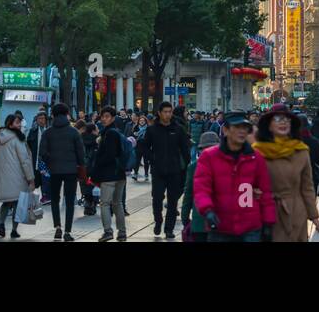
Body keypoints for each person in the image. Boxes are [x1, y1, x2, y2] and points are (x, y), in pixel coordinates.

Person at [192, 111, 275, 242]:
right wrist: (207, 210)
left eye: (244, 128)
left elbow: (266, 192)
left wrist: (268, 222)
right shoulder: (209, 157)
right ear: (225, 130)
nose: (242, 131)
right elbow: (201, 188)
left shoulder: (256, 158)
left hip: (250, 227)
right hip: (220, 226)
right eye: (237, 127)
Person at [252, 104, 319, 242]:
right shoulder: (256, 152)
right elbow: (246, 185)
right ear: (269, 125)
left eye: (287, 119)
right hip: (266, 213)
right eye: (278, 118)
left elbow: (307, 187)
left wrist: (314, 216)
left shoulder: (301, 151)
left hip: (296, 212)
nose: (284, 122)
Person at [141, 101, 190, 239]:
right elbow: (144, 147)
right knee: (157, 198)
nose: (168, 114)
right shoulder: (152, 130)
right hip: (158, 170)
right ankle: (158, 221)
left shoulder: (178, 129)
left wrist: (186, 166)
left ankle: (169, 228)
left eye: (170, 112)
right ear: (159, 113)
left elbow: (185, 149)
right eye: (165, 112)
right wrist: (152, 159)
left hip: (174, 170)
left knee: (173, 201)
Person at [39, 103, 85, 242]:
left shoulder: (48, 132)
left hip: (54, 171)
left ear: (53, 115)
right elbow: (80, 153)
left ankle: (58, 227)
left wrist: (51, 162)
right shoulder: (74, 132)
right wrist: (80, 166)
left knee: (54, 199)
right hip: (71, 171)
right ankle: (68, 231)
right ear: (66, 114)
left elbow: (42, 153)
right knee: (70, 201)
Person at [0, 113, 35, 239]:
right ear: (10, 124)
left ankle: (1, 224)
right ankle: (14, 230)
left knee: (6, 203)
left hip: (3, 177)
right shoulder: (17, 139)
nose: (20, 124)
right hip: (17, 177)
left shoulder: (0, 138)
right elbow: (25, 161)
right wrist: (30, 178)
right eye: (17, 122)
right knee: (17, 204)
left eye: (20, 122)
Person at [89, 106, 129, 242]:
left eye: (107, 116)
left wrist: (97, 162)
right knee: (117, 203)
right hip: (120, 174)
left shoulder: (110, 133)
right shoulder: (116, 132)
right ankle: (122, 233)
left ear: (112, 118)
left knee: (105, 203)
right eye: (102, 116)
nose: (104, 119)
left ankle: (108, 231)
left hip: (109, 175)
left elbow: (109, 155)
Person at [181, 131, 221, 241]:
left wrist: (185, 217)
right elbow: (189, 193)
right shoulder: (194, 167)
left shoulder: (194, 166)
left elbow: (188, 193)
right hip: (202, 222)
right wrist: (185, 216)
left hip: (212, 221)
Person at [79, 118, 100, 215]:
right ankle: (92, 205)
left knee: (84, 185)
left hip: (82, 168)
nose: (98, 130)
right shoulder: (96, 141)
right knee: (94, 186)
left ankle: (87, 204)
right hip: (94, 168)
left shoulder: (80, 139)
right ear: (93, 131)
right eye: (97, 129)